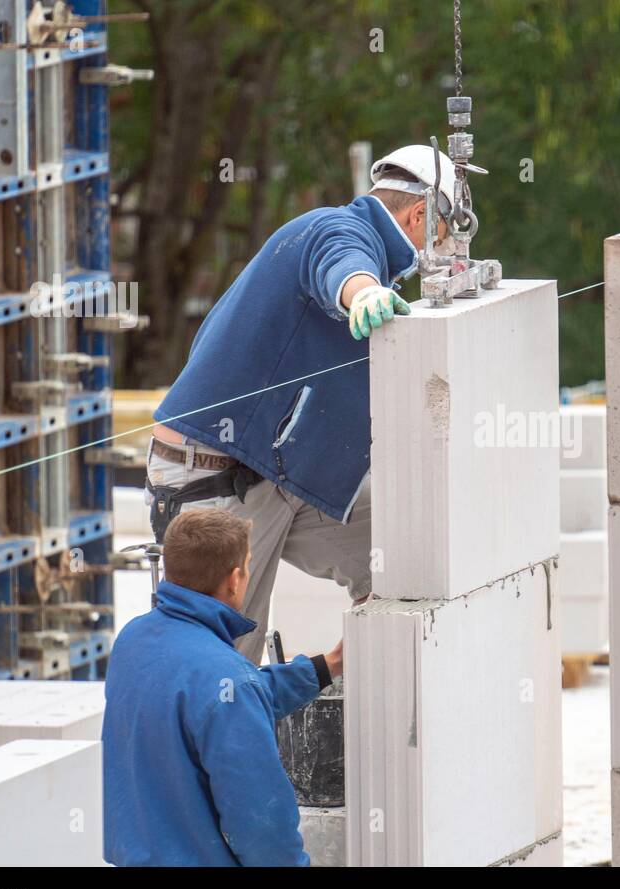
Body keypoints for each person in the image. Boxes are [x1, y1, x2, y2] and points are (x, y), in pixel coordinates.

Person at [144, 145, 459, 662]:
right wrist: (361, 296)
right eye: (446, 233)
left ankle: (379, 701)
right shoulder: (339, 231)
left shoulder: (366, 247)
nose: (445, 250)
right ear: (420, 214)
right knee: (224, 662)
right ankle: (242, 728)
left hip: (280, 473)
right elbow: (341, 267)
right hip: (211, 478)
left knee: (410, 553)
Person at [102, 509, 339, 866]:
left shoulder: (133, 639)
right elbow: (262, 827)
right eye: (247, 565)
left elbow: (217, 695)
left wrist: (329, 665)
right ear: (234, 579)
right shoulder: (226, 680)